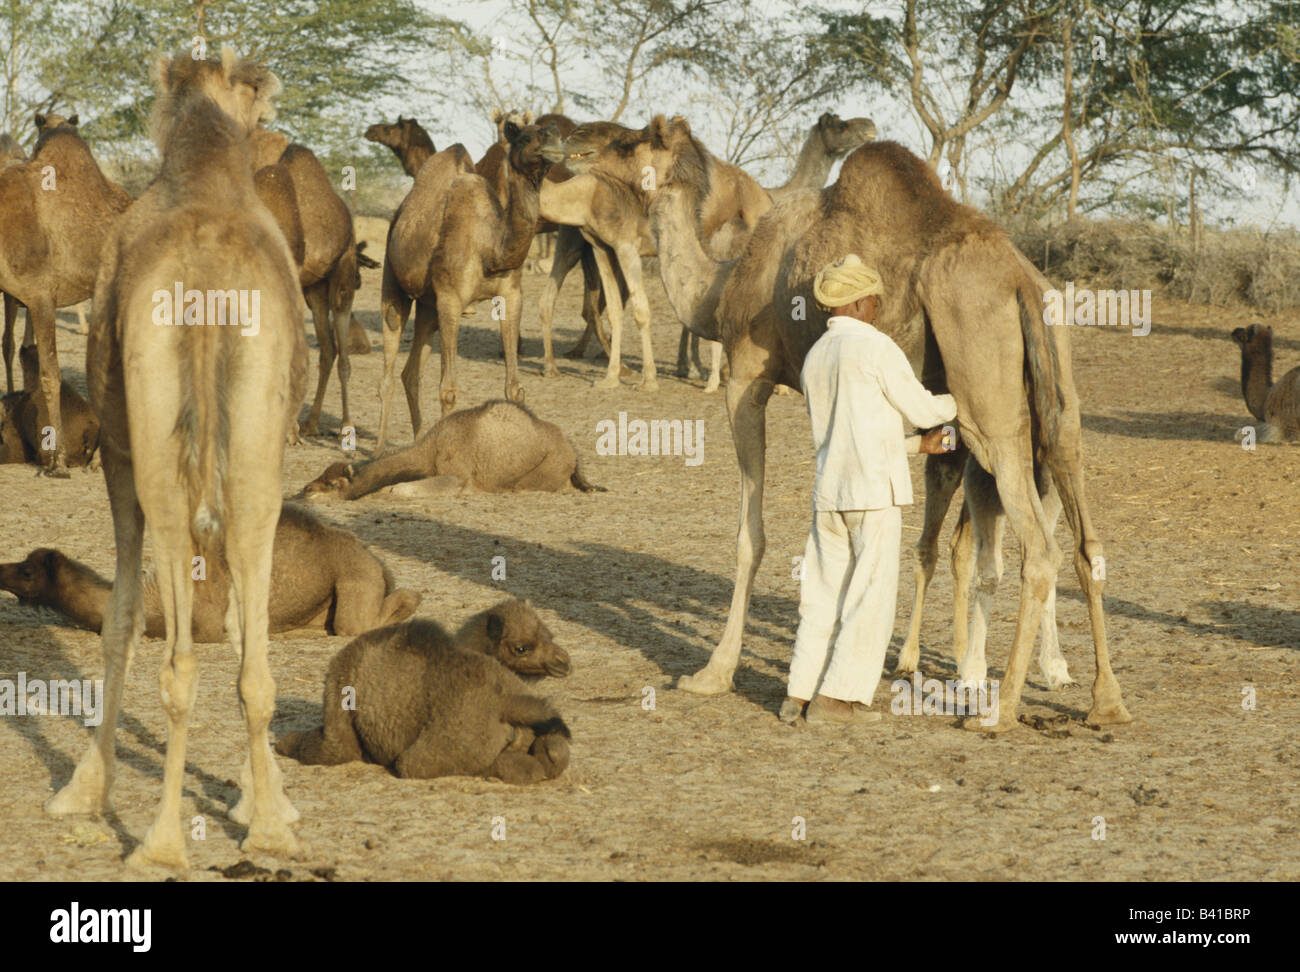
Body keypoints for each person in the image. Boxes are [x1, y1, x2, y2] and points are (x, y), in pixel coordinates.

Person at [782, 254, 958, 726]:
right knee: (870, 597)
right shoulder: (875, 348)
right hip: (873, 495)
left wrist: (915, 447)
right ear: (859, 302)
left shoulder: (815, 357)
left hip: (830, 494)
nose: (878, 308)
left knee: (821, 595)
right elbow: (922, 408)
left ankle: (799, 691)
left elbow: (847, 432)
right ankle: (837, 700)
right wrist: (960, 398)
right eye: (875, 300)